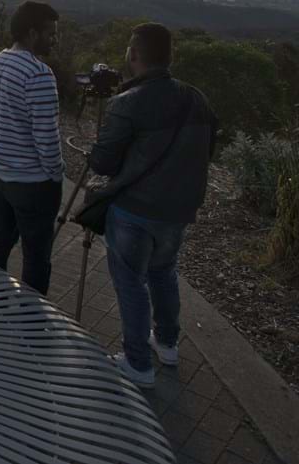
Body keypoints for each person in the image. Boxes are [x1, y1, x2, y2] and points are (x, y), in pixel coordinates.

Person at [88, 23, 218, 388]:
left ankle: (137, 363)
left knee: (130, 280)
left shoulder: (128, 103)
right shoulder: (198, 99)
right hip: (179, 209)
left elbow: (102, 164)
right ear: (170, 57)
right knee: (164, 272)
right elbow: (208, 151)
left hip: (135, 208)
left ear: (133, 54)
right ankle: (167, 343)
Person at [0, 0, 63, 294]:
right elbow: (47, 137)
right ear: (31, 33)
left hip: (0, 173)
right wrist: (56, 174)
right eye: (50, 33)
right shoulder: (39, 74)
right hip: (33, 181)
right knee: (37, 257)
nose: (55, 39)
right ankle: (32, 324)